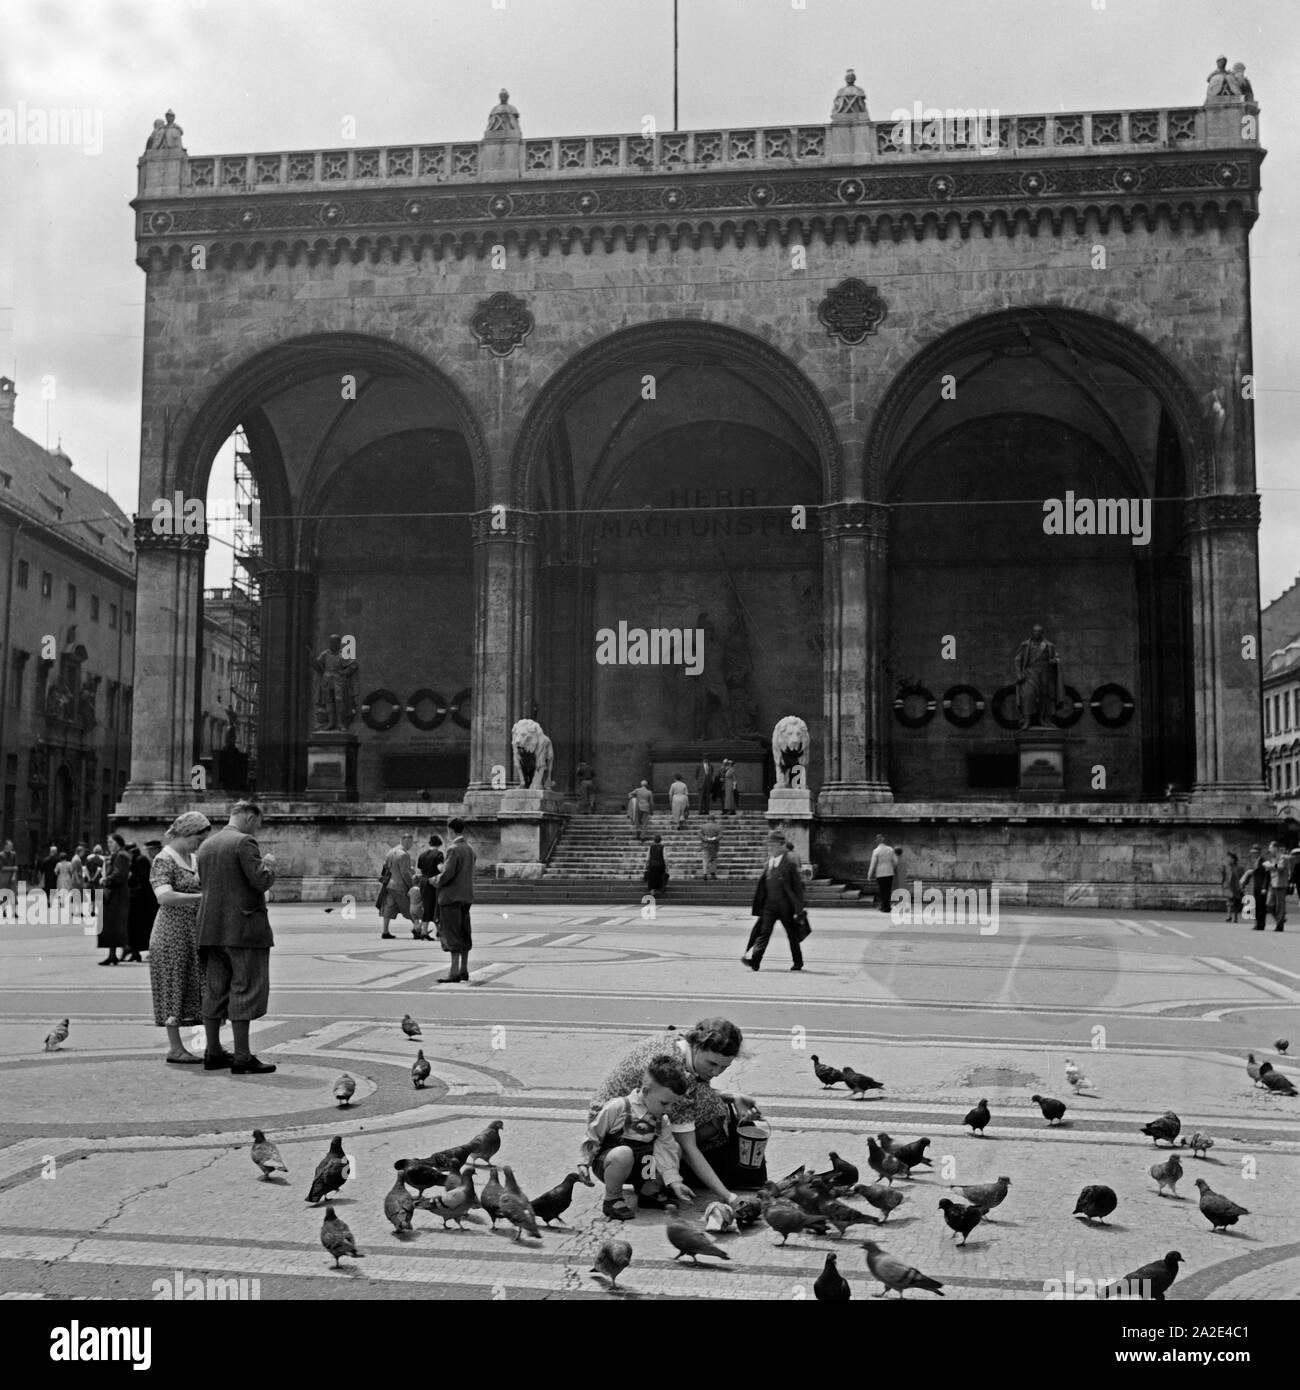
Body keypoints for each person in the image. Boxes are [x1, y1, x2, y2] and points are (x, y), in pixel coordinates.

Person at [588, 1019, 765, 1208]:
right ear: (696, 1046)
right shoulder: (675, 1073)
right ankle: (654, 1179)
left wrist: (732, 1097)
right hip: (613, 1143)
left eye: (724, 1067)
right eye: (712, 1063)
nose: (716, 1072)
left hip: (637, 1122)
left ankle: (661, 1176)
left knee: (715, 1109)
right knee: (692, 1136)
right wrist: (728, 1196)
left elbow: (693, 1092)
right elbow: (689, 1148)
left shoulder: (678, 1045)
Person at [195, 800, 278, 1074]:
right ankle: (242, 1057)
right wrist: (268, 864)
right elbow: (260, 880)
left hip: (210, 929)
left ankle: (213, 1051)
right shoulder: (244, 843)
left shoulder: (207, 845)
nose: (257, 830)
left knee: (215, 989)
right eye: (258, 824)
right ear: (251, 818)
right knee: (244, 988)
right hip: (243, 929)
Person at [580, 1053, 694, 1220]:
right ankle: (613, 1198)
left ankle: (648, 1192)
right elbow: (594, 1134)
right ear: (646, 1091)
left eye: (673, 1104)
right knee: (623, 1153)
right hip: (610, 1164)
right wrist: (584, 1162)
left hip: (642, 1168)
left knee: (674, 1148)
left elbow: (667, 1152)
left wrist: (675, 1181)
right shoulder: (619, 1107)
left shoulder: (661, 1121)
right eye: (665, 1103)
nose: (669, 1109)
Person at [148, 812, 211, 1063]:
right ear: (186, 833)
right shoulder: (163, 859)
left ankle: (208, 1045)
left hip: (193, 931)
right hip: (171, 933)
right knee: (174, 985)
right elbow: (163, 896)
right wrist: (200, 898)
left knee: (198, 986)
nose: (201, 843)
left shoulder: (193, 858)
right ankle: (175, 1048)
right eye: (199, 838)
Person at [744, 830, 806, 972]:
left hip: (785, 906)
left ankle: (798, 961)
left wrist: (799, 909)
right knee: (764, 933)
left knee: (791, 934)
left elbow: (797, 887)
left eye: (772, 845)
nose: (770, 848)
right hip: (769, 906)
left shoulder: (789, 863)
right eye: (769, 845)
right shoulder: (769, 862)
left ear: (780, 845)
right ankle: (755, 960)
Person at [434, 817, 476, 984]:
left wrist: (434, 880)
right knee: (464, 933)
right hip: (466, 896)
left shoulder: (453, 849)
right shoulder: (470, 849)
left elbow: (447, 874)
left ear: (450, 830)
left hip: (451, 897)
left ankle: (454, 972)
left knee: (452, 934)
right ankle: (464, 969)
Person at [1014, 623, 1061, 728]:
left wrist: (1054, 661)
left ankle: (1042, 719)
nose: (1037, 633)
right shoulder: (1026, 645)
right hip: (1030, 673)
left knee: (1044, 697)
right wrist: (1019, 674)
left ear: (1042, 633)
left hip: (1044, 673)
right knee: (1027, 695)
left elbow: (1057, 657)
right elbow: (1017, 660)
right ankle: (1026, 720)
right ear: (1032, 632)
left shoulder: (1049, 645)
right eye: (1035, 631)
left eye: (1039, 631)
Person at [98, 832, 132, 965]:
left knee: (115, 924)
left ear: (118, 842)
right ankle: (112, 955)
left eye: (111, 842)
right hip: (114, 894)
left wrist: (106, 880)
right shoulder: (118, 855)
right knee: (110, 925)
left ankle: (127, 948)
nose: (109, 844)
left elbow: (119, 874)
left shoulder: (122, 856)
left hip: (117, 895)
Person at [126, 840, 161, 962]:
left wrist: (131, 876)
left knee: (148, 925)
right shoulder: (139, 859)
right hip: (143, 898)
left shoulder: (140, 860)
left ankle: (149, 951)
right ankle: (135, 951)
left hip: (145, 899)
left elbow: (144, 878)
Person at [378, 832, 415, 939]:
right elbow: (405, 873)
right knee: (409, 908)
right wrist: (411, 885)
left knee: (388, 908)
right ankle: (418, 928)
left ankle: (385, 931)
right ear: (406, 841)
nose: (411, 845)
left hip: (389, 885)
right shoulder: (403, 854)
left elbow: (385, 866)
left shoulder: (390, 852)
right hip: (400, 886)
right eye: (411, 843)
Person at [415, 834, 444, 941]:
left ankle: (425, 930)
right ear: (439, 844)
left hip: (423, 881)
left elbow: (419, 871)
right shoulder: (439, 854)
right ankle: (426, 932)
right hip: (433, 882)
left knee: (427, 906)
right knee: (435, 907)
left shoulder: (422, 854)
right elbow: (440, 868)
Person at [866, 832, 899, 914]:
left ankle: (884, 906)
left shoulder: (876, 851)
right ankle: (887, 906)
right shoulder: (890, 849)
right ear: (883, 839)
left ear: (876, 841)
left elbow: (873, 864)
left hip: (880, 873)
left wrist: (869, 874)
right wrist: (893, 868)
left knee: (882, 890)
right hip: (889, 872)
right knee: (888, 890)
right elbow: (895, 861)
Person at [1264, 840, 1288, 932]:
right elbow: (1273, 868)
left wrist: (1270, 865)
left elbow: (1280, 867)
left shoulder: (1282, 857)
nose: (1269, 849)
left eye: (1270, 847)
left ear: (1275, 848)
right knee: (1269, 905)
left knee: (1280, 906)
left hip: (1281, 884)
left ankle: (1279, 925)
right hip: (1272, 884)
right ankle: (1281, 919)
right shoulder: (1273, 858)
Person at [1246, 844, 1269, 930]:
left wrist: (1264, 887)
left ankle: (1261, 925)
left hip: (1261, 888)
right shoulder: (1255, 862)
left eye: (1255, 852)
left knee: (1261, 907)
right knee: (1256, 906)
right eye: (1252, 852)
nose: (1254, 854)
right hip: (1255, 887)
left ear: (1259, 852)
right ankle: (1257, 924)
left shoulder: (1264, 861)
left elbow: (1267, 875)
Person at [1222, 851, 1243, 923]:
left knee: (1236, 902)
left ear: (1233, 859)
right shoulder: (1226, 867)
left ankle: (1235, 916)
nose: (1228, 860)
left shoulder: (1239, 868)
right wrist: (1223, 884)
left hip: (1236, 887)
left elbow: (1242, 877)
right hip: (1228, 886)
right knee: (1228, 902)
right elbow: (1224, 876)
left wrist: (1242, 886)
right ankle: (1229, 915)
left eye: (1230, 858)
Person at [0, 840, 16, 921]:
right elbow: (2, 868)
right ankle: (4, 911)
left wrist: (13, 875)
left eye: (12, 846)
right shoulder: (1, 855)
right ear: (5, 846)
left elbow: (15, 866)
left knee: (14, 894)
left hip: (12, 876)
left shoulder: (13, 854)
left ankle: (15, 912)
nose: (11, 847)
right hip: (3, 877)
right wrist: (13, 868)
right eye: (10, 846)